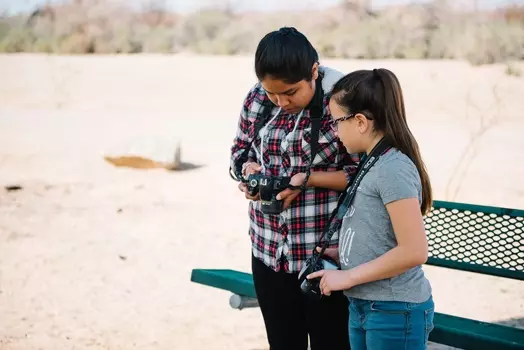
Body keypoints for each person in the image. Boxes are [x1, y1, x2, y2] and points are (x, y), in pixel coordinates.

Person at [229, 27, 360, 350]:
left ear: (314, 71)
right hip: (268, 250)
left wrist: (308, 179)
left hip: (325, 256)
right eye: (272, 93)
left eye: (290, 92)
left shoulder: (343, 102)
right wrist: (249, 172)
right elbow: (239, 152)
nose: (281, 101)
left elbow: (365, 175)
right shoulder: (257, 99)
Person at [307, 68, 435, 350]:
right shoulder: (372, 162)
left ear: (361, 121)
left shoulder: (393, 168)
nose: (335, 131)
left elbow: (414, 250)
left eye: (337, 122)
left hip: (394, 309)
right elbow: (378, 228)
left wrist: (347, 276)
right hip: (366, 304)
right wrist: (346, 253)